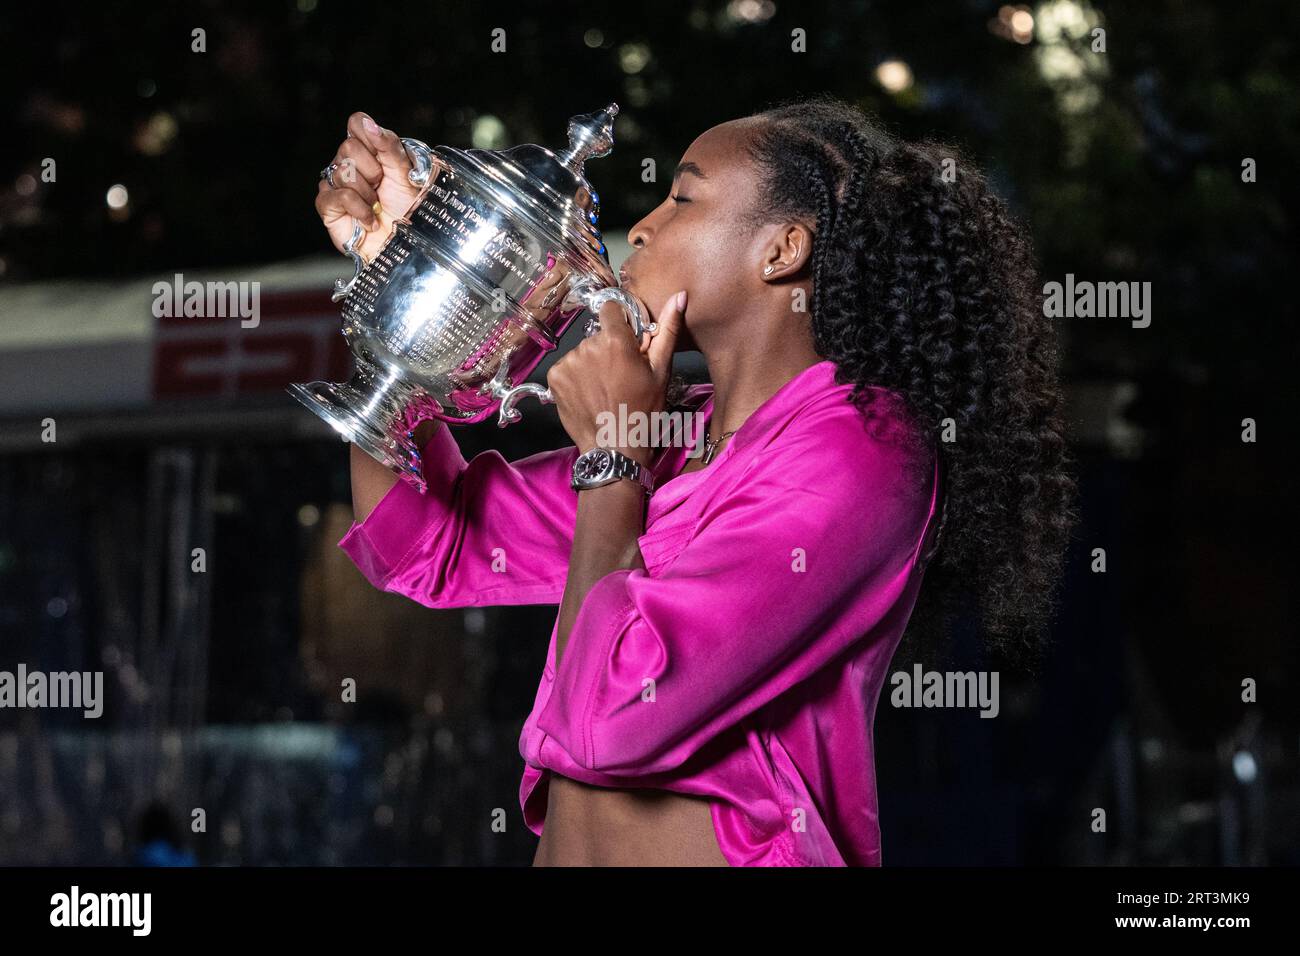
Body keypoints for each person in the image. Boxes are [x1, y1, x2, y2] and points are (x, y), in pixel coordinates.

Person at [314, 94, 1076, 866]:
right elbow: (428, 542)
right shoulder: (674, 434)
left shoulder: (862, 452)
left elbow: (610, 722)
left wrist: (610, 460)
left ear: (782, 252)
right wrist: (397, 269)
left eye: (683, 197)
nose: (641, 227)